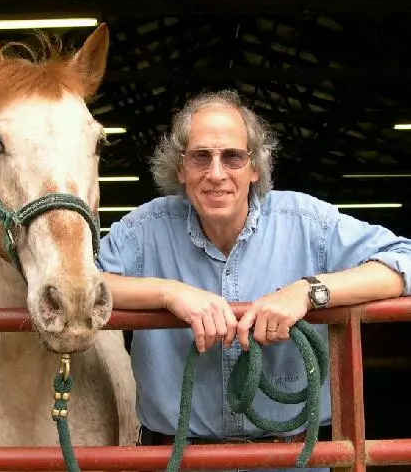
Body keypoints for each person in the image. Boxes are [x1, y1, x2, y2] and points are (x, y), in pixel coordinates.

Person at [96, 89, 411, 472]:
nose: (216, 174)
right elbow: (83, 286)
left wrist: (309, 291)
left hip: (292, 461)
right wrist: (168, 292)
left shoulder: (307, 222)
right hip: (177, 459)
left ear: (254, 167)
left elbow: (404, 260)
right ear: (180, 168)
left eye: (232, 157)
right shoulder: (143, 230)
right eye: (200, 157)